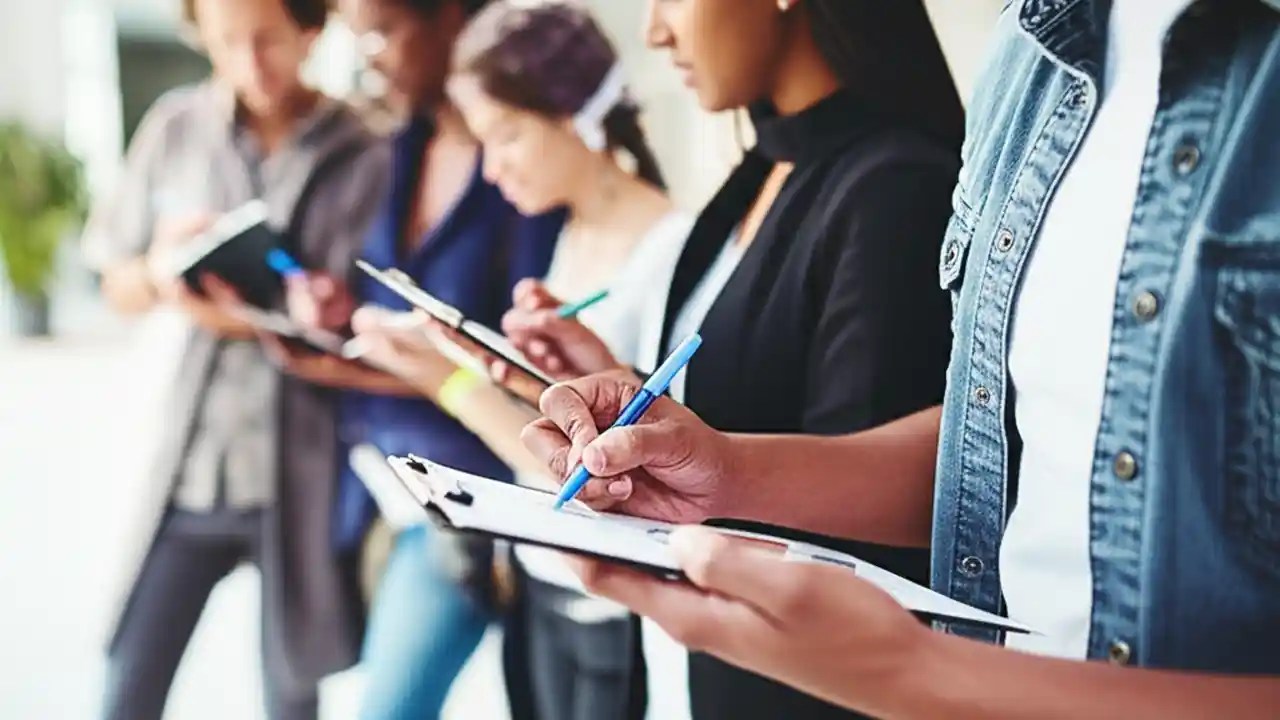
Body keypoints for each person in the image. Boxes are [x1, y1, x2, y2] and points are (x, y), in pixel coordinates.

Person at [521, 0, 1280, 716]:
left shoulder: (891, 180)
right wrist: (726, 471)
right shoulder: (1028, 60)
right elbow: (1007, 455)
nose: (653, 33)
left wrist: (918, 675)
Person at [496, 1, 961, 718]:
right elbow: (750, 410)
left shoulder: (893, 190)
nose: (654, 32)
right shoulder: (765, 168)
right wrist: (620, 379)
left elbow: (870, 515)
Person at [345, 2, 690, 718]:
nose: (492, 168)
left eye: (506, 137)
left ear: (572, 115)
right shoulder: (570, 237)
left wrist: (449, 380)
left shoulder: (667, 252)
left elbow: (609, 471)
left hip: (610, 609)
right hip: (539, 578)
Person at [80, 0, 388, 718]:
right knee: (127, 688)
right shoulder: (176, 129)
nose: (250, 65)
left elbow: (379, 317)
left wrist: (317, 312)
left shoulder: (367, 147)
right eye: (226, 43)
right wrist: (161, 273)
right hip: (190, 468)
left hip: (302, 475)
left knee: (292, 697)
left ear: (312, 30)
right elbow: (116, 282)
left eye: (268, 41)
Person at [267, 0, 560, 717]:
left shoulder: (524, 173)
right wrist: (337, 314)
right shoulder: (401, 148)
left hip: (464, 500)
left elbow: (526, 371)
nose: (370, 56)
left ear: (450, 19)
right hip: (371, 486)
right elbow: (394, 297)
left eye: (383, 33)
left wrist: (362, 366)